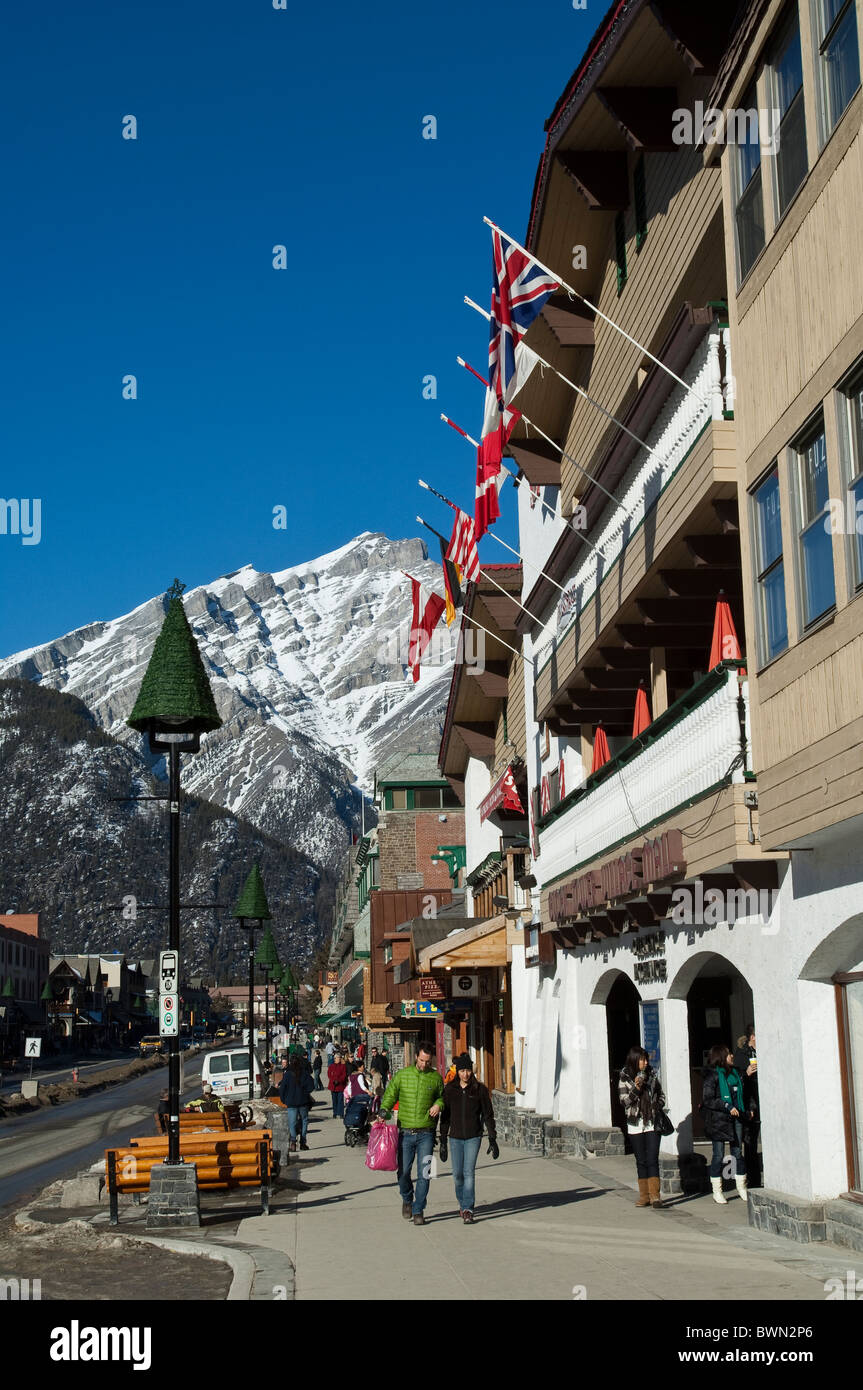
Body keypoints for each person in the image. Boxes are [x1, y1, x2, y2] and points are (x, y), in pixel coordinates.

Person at [380, 1041, 445, 1226]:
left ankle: (418, 1209)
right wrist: (383, 1111)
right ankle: (407, 1198)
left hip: (427, 1134)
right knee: (403, 1172)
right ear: (416, 1056)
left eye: (428, 1061)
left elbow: (442, 1096)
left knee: (426, 1173)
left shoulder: (435, 1077)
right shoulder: (402, 1075)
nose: (424, 1064)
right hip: (406, 1133)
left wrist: (438, 1105)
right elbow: (390, 1095)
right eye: (422, 1060)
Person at [439, 1053, 498, 1223]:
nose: (465, 1074)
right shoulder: (450, 1090)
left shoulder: (480, 1090)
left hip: (473, 1136)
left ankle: (468, 1208)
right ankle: (462, 1202)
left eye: (468, 1071)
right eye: (462, 1070)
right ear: (457, 1071)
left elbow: (488, 1115)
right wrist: (443, 1140)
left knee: (468, 1172)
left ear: (472, 1071)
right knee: (457, 1174)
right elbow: (446, 1117)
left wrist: (492, 1138)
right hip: (455, 1137)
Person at [702, 1043, 752, 1203]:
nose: (732, 1056)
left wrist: (749, 1108)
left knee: (737, 1153)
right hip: (718, 1120)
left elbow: (745, 1094)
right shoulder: (712, 1076)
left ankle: (742, 1187)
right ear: (722, 1057)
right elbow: (708, 1099)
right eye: (729, 1054)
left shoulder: (737, 1074)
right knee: (718, 1155)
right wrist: (726, 1106)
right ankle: (717, 1190)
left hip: (736, 1118)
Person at [618, 1047, 667, 1209]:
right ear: (634, 1060)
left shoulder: (652, 1075)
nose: (645, 1063)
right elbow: (624, 1101)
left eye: (646, 1060)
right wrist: (636, 1089)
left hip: (651, 1122)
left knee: (652, 1159)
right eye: (642, 1060)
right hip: (635, 1124)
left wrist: (656, 1106)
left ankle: (655, 1197)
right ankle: (644, 1196)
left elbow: (661, 1095)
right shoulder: (624, 1076)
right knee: (641, 1161)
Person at [733, 1023, 760, 1185]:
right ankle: (752, 1179)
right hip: (750, 1104)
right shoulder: (742, 1054)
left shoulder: (760, 1051)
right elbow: (737, 1079)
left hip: (761, 1100)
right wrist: (746, 1073)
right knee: (749, 1142)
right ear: (752, 1037)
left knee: (754, 1141)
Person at [279, 1055, 315, 1151]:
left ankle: (293, 1141)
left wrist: (283, 1099)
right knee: (304, 1121)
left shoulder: (287, 1075)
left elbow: (282, 1089)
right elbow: (311, 1086)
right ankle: (303, 1142)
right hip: (303, 1101)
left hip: (291, 1102)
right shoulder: (304, 1073)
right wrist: (305, 1092)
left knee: (292, 1122)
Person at [328, 1049, 348, 1119]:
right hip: (333, 1085)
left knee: (340, 1100)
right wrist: (333, 1080)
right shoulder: (331, 1066)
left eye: (339, 1058)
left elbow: (344, 1075)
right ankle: (335, 1112)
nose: (338, 1059)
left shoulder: (343, 1066)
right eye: (337, 1058)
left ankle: (341, 1113)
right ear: (334, 1059)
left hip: (340, 1086)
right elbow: (329, 1074)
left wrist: (339, 1081)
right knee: (334, 1100)